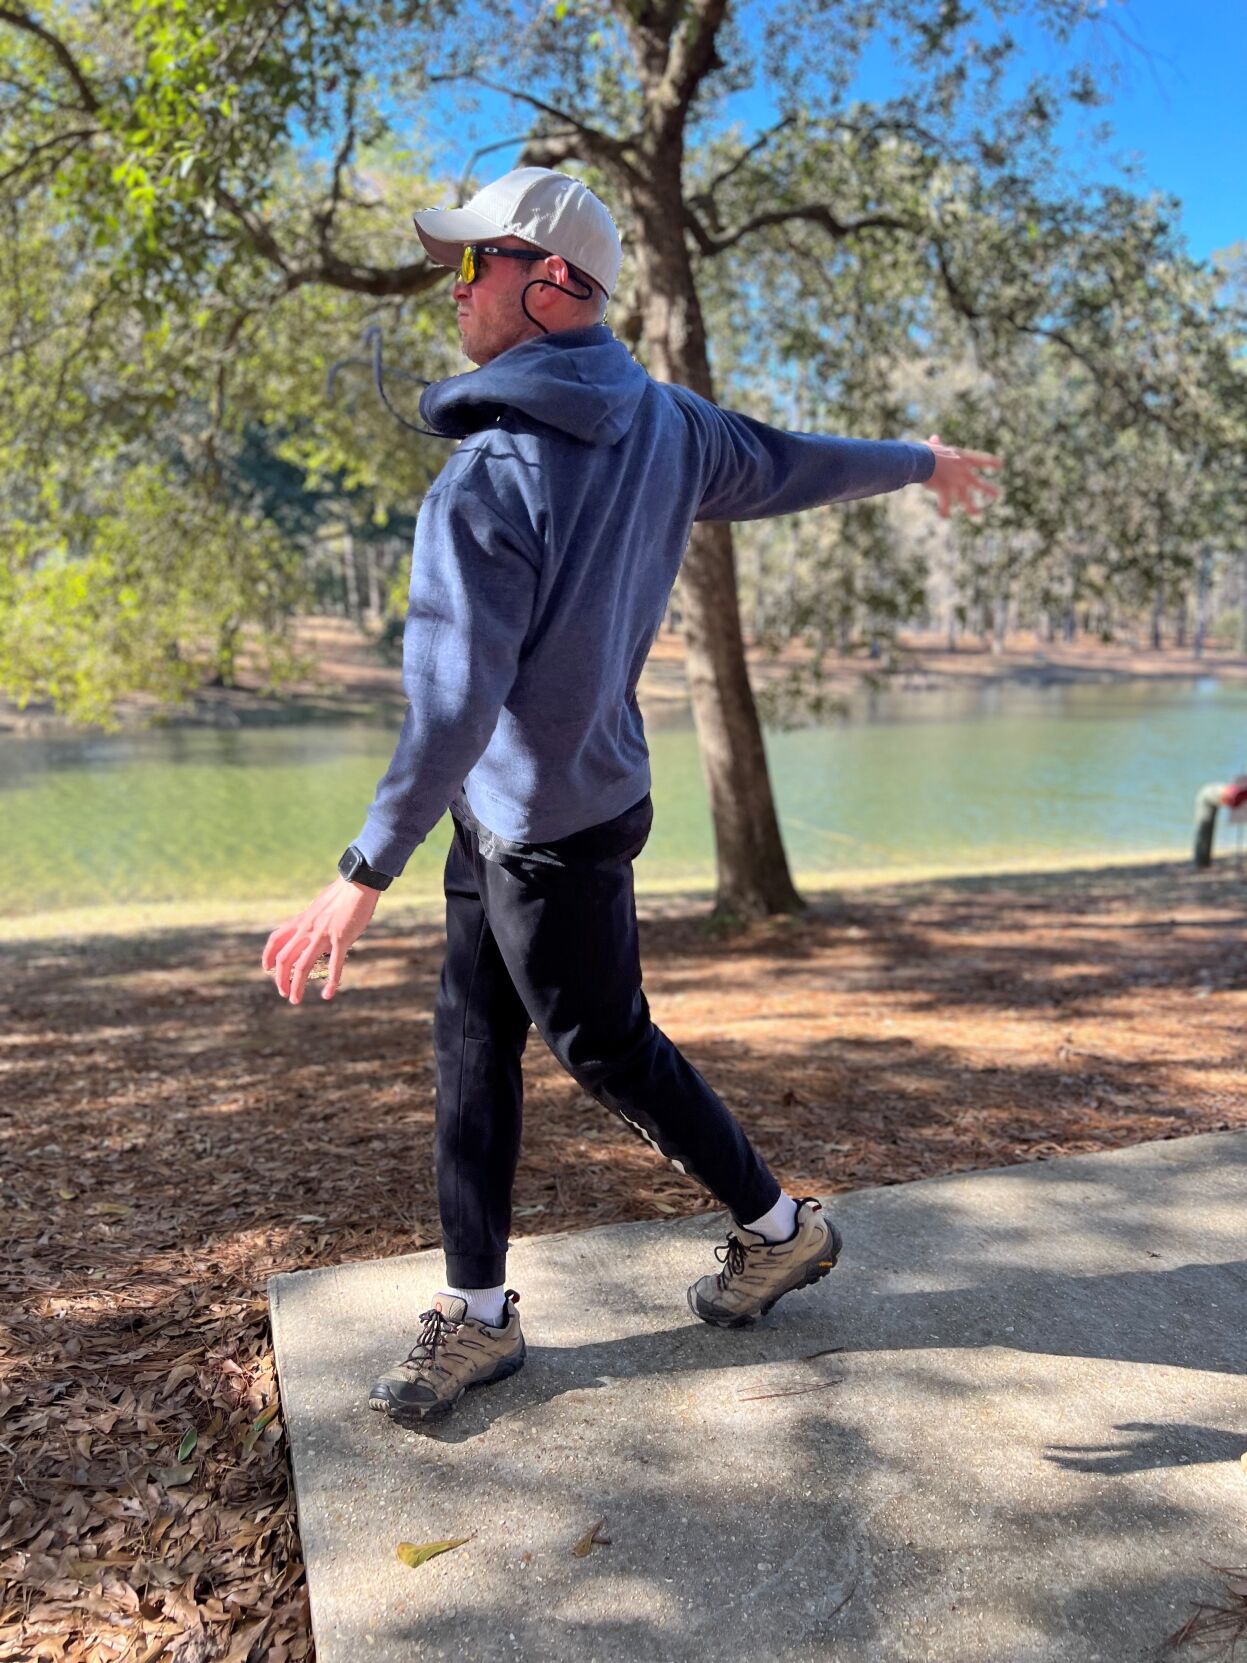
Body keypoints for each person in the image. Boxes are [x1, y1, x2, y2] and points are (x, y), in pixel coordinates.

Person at [262, 167, 1001, 1424]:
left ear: (548, 285)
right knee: (469, 1040)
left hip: (543, 829)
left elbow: (449, 703)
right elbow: (787, 461)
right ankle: (480, 1313)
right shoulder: (668, 424)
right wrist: (917, 459)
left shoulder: (487, 481)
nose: (453, 291)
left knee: (605, 1044)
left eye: (470, 265)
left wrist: (357, 870)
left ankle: (781, 1225)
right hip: (528, 805)